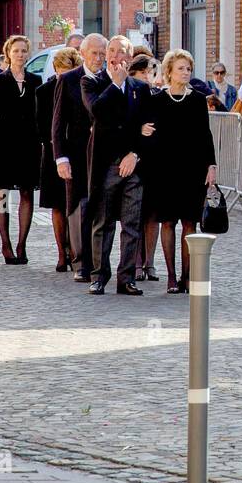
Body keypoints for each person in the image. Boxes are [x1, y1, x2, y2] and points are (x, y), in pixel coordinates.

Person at [83, 35, 152, 296]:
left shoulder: (140, 89)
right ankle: (99, 276)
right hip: (106, 165)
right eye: (110, 50)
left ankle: (127, 278)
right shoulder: (94, 83)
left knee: (132, 225)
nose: (113, 55)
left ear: (130, 57)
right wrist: (115, 84)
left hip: (133, 167)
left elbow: (148, 128)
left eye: (120, 51)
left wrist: (135, 153)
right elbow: (97, 112)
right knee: (103, 223)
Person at [147, 49, 218, 294]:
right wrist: (142, 130)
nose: (185, 72)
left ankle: (188, 276)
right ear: (169, 71)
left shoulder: (198, 100)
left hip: (192, 170)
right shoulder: (156, 99)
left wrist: (211, 165)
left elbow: (205, 135)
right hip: (164, 170)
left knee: (190, 223)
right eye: (181, 68)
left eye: (188, 68)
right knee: (168, 222)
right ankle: (171, 277)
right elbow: (148, 131)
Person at [0, 35, 43, 265]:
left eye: (23, 51)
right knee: (3, 193)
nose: (20, 54)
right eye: (16, 51)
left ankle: (22, 243)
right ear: (9, 53)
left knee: (27, 192)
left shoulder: (35, 81)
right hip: (4, 144)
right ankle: (6, 243)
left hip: (29, 144)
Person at [52, 33, 106, 283]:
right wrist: (60, 158)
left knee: (99, 208)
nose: (99, 58)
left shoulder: (109, 80)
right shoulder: (69, 79)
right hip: (75, 153)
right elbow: (58, 122)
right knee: (77, 207)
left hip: (102, 154)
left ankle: (97, 262)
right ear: (83, 54)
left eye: (102, 53)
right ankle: (80, 261)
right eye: (94, 53)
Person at [36, 46, 81, 272]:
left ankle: (75, 250)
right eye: (61, 70)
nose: (64, 75)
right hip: (53, 153)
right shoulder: (45, 91)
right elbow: (42, 125)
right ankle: (60, 252)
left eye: (69, 70)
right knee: (57, 206)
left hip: (76, 153)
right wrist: (54, 146)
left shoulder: (81, 87)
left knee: (74, 205)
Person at [128, 55, 161, 282]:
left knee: (153, 216)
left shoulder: (158, 97)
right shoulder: (129, 96)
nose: (148, 77)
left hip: (156, 160)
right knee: (135, 216)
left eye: (151, 72)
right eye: (143, 73)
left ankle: (150, 262)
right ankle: (136, 263)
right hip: (135, 160)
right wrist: (138, 130)